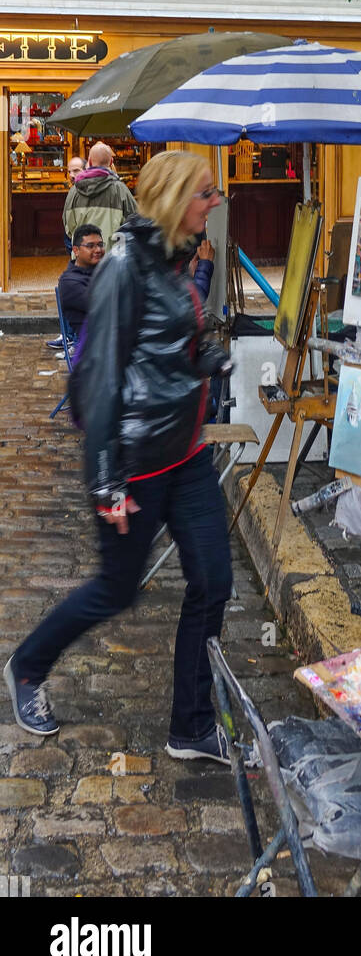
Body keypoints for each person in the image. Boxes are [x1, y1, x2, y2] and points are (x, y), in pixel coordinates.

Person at [4, 151, 234, 764]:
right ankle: (26, 665)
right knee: (115, 590)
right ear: (174, 198)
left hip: (184, 454)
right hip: (134, 463)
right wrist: (106, 482)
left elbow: (160, 350)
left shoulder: (180, 258)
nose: (215, 203)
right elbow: (99, 377)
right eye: (205, 193)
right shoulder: (123, 267)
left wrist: (201, 359)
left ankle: (191, 725)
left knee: (213, 580)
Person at [63, 141, 137, 250]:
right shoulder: (120, 189)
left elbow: (68, 227)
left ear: (90, 162)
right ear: (111, 161)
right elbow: (134, 221)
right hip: (112, 256)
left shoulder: (74, 191)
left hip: (83, 256)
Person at [57, 224, 105, 336]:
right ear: (76, 250)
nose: (98, 250)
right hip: (95, 346)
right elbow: (105, 307)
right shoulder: (70, 282)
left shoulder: (106, 270)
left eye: (100, 245)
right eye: (90, 246)